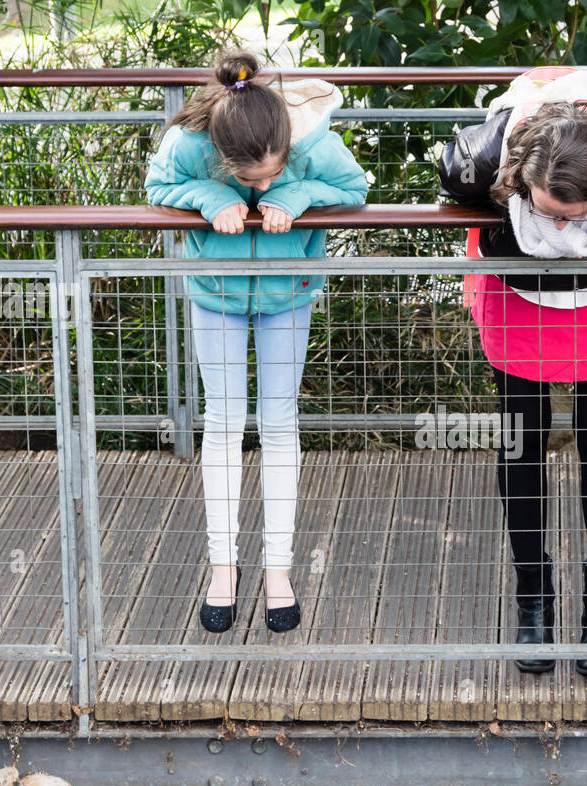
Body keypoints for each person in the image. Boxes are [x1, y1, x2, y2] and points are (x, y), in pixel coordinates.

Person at [437, 67, 587, 677]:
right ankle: (534, 600)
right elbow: (453, 193)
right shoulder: (478, 158)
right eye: (549, 212)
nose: (563, 227)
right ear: (516, 180)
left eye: (578, 215)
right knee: (522, 440)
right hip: (518, 294)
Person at [145, 49, 368, 634]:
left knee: (277, 422)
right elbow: (158, 186)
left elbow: (355, 187)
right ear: (222, 155)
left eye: (274, 171)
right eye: (249, 179)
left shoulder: (308, 137)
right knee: (221, 421)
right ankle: (224, 566)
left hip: (286, 296)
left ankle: (278, 570)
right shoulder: (192, 143)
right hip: (215, 295)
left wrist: (297, 197)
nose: (263, 183)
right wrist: (208, 197)